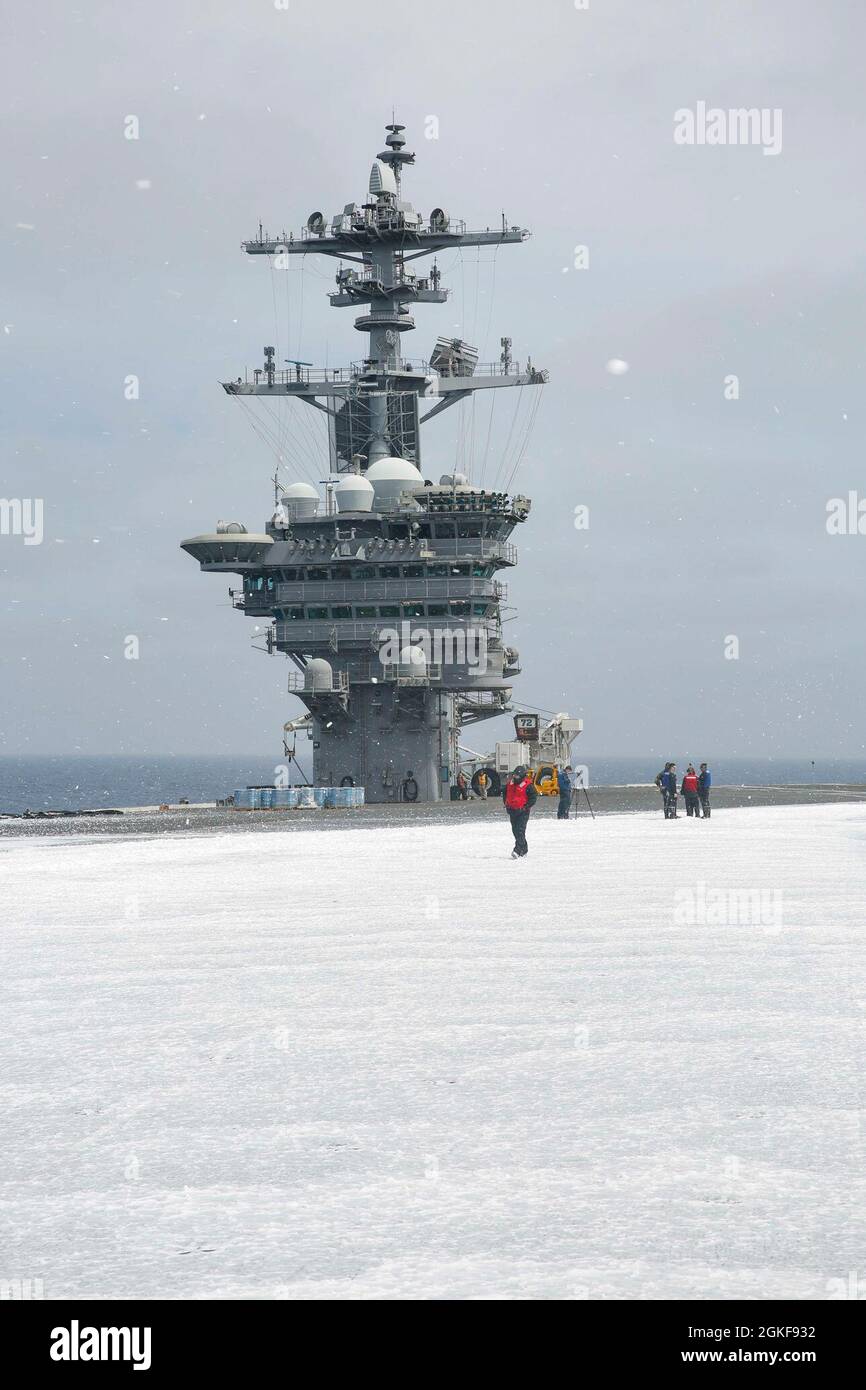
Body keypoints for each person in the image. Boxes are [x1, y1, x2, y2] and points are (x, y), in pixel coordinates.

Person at [503, 765, 538, 858]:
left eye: (517, 776)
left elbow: (533, 797)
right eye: (514, 775)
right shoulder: (509, 784)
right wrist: (506, 804)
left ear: (522, 776)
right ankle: (524, 849)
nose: (515, 777)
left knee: (520, 830)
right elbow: (505, 793)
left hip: (523, 812)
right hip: (512, 810)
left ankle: (517, 850)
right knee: (515, 831)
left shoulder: (528, 785)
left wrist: (526, 807)